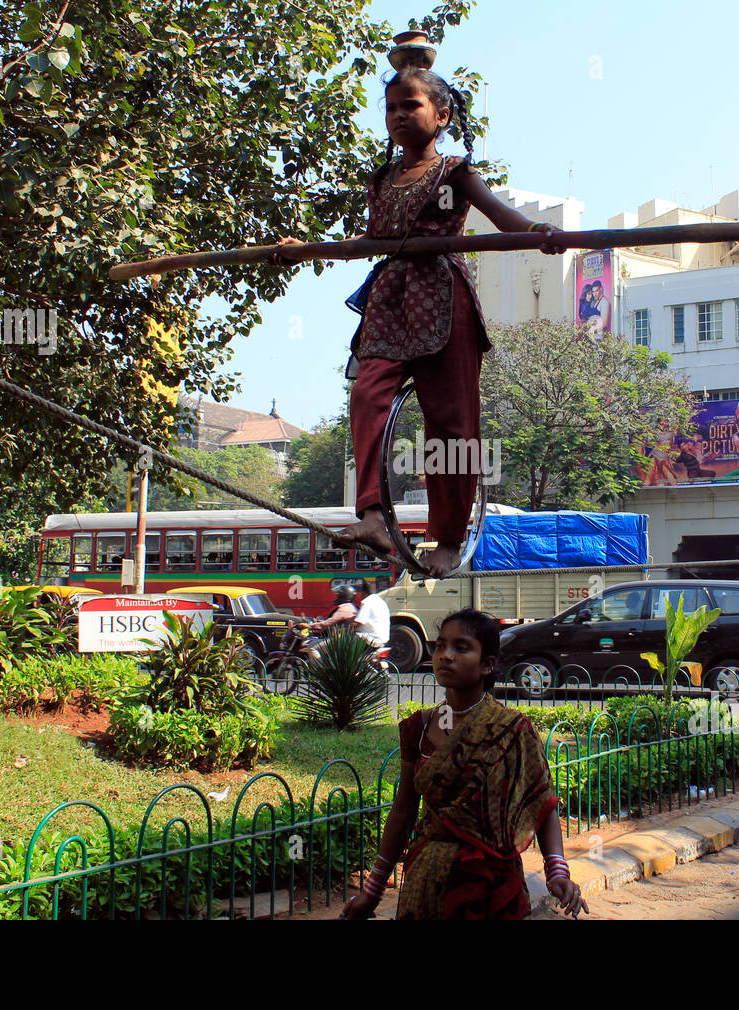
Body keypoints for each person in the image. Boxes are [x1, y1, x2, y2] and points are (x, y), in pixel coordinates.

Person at [278, 66, 564, 579]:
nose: (399, 116)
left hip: (441, 297)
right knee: (367, 394)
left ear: (442, 114)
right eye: (391, 108)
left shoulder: (455, 172)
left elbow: (502, 218)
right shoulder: (382, 179)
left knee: (451, 424)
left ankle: (448, 538)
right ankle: (371, 515)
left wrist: (539, 232)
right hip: (390, 298)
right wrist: (305, 251)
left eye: (410, 105)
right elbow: (366, 246)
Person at [341, 609, 588, 920]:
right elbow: (402, 812)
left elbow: (541, 804)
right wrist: (372, 892)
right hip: (427, 886)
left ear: (487, 664)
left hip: (492, 889)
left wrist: (557, 874)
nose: (446, 656)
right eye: (441, 645)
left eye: (461, 647)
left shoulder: (512, 730)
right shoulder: (418, 729)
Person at [353, 580, 391, 648]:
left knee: (346, 640)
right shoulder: (381, 602)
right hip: (383, 639)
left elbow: (358, 622)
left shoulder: (367, 602)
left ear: (364, 592)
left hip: (371, 639)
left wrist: (344, 630)